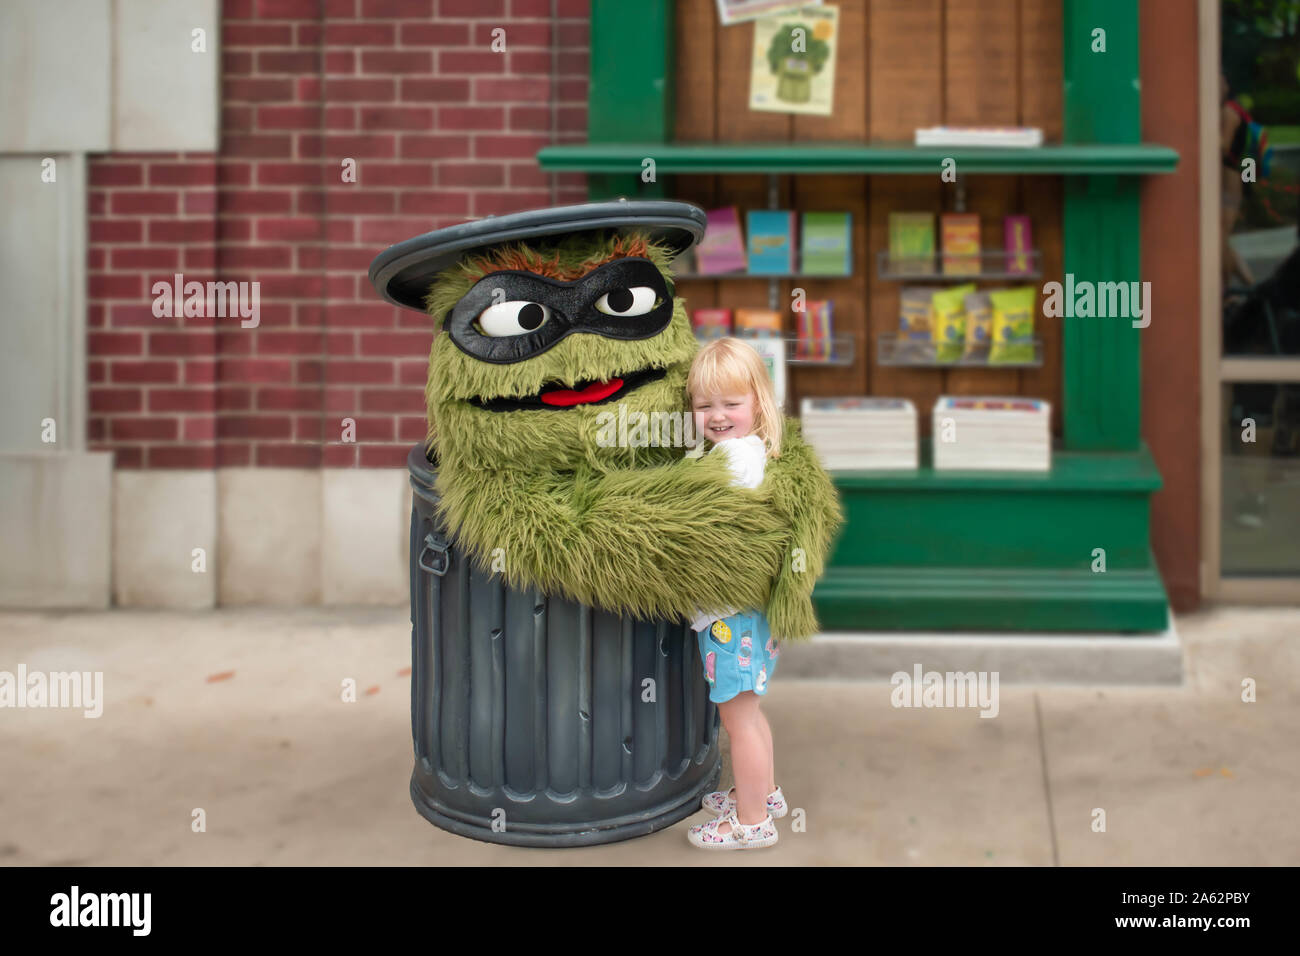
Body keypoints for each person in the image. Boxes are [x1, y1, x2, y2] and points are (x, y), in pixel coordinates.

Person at [682, 337, 788, 850]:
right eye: (705, 406)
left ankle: (750, 823)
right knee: (751, 708)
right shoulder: (750, 452)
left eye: (731, 403)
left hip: (732, 616)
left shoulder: (731, 461)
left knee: (738, 718)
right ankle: (765, 793)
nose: (718, 415)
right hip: (749, 614)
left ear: (758, 403)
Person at [1221, 72, 1255, 287]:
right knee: (1220, 240)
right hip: (1230, 178)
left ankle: (1243, 286)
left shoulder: (1229, 113)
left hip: (1231, 180)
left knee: (1220, 239)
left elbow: (1222, 146)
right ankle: (1239, 287)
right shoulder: (1228, 110)